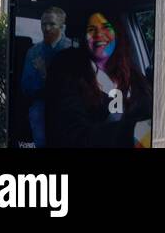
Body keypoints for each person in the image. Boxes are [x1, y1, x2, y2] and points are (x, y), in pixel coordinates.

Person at [44, 10, 152, 148]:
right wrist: (134, 132)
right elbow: (72, 136)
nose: (99, 35)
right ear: (84, 36)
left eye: (106, 27)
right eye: (91, 29)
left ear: (117, 33)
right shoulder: (68, 72)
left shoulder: (133, 74)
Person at [19, 6, 74, 147]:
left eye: (52, 24)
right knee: (37, 113)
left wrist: (45, 73)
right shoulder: (33, 52)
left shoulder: (72, 50)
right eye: (44, 24)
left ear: (62, 27)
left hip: (69, 105)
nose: (47, 28)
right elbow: (26, 87)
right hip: (41, 104)